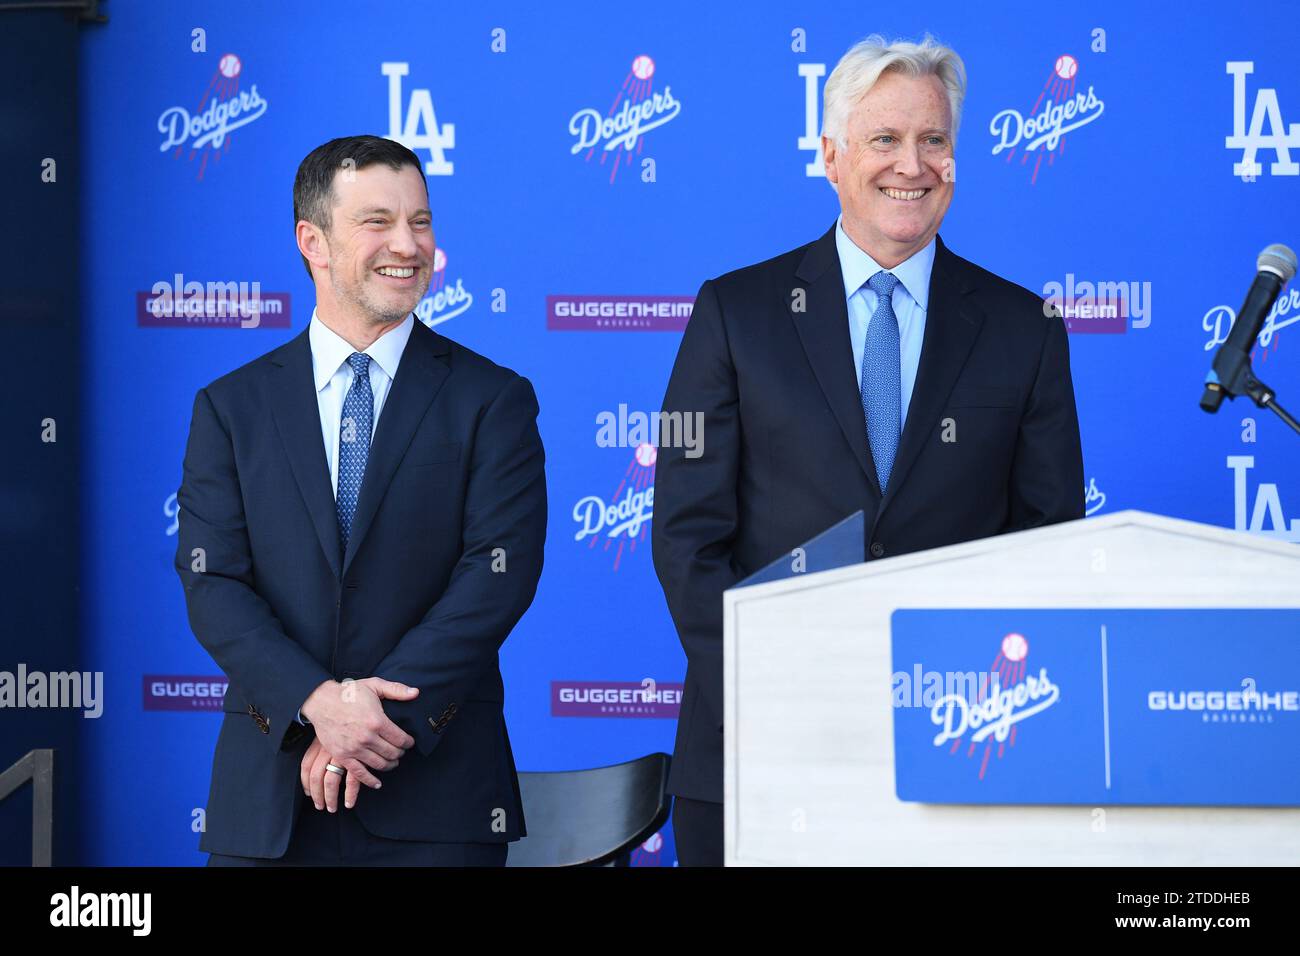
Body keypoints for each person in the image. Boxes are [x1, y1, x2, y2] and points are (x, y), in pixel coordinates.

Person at [652, 34, 1084, 866]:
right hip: (757, 749)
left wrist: (965, 695)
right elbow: (683, 532)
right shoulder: (734, 313)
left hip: (957, 751)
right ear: (830, 155)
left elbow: (1047, 541)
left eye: (934, 141)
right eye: (885, 139)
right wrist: (768, 686)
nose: (911, 165)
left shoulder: (1025, 329)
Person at [175, 135, 547, 866]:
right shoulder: (231, 407)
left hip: (436, 800)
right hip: (270, 797)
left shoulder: (493, 400)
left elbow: (495, 577)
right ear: (312, 240)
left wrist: (369, 723)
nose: (408, 245)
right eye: (378, 221)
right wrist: (316, 703)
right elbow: (213, 581)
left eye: (422, 221)